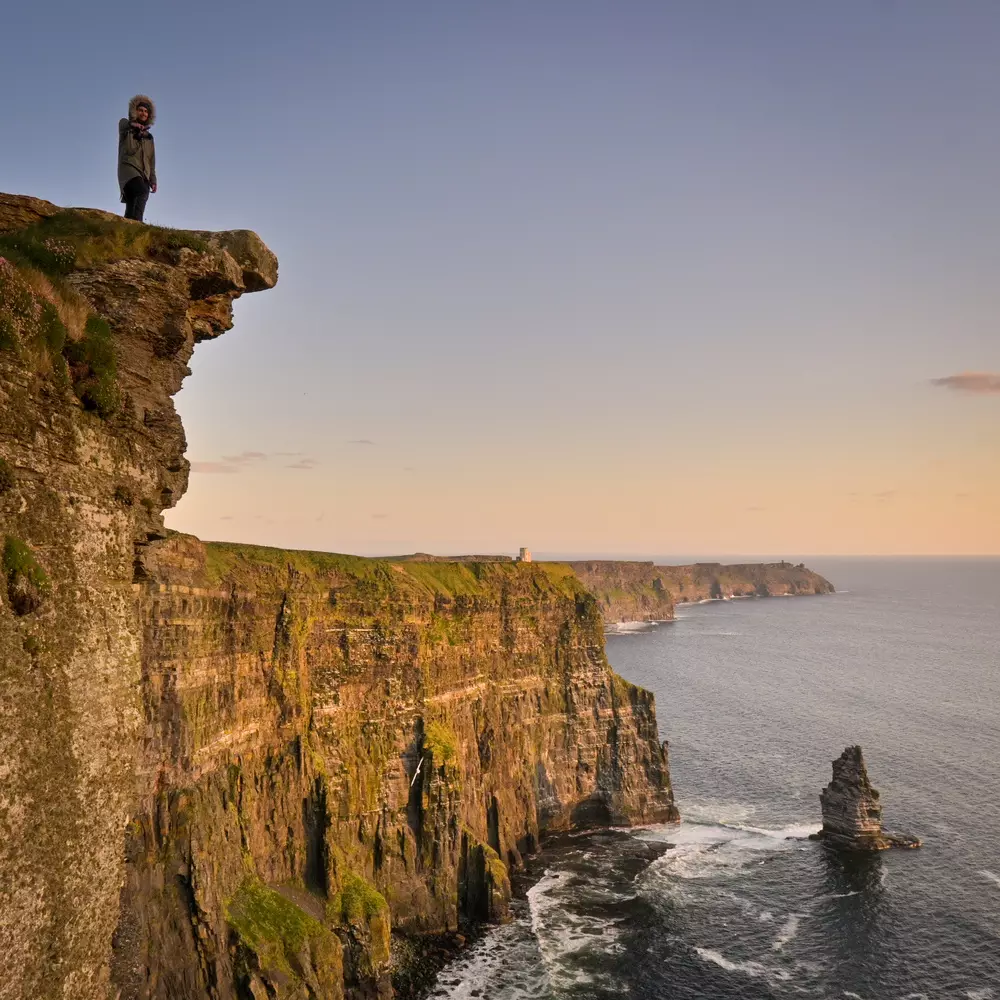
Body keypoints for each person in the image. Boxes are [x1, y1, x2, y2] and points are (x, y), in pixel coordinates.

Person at [118, 95, 157, 222]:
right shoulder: (125, 126)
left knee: (132, 203)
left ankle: (127, 229)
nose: (143, 113)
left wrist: (153, 180)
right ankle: (138, 224)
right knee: (142, 191)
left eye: (146, 111)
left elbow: (151, 160)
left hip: (143, 173)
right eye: (140, 110)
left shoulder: (149, 137)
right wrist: (133, 127)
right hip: (129, 169)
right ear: (135, 111)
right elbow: (124, 124)